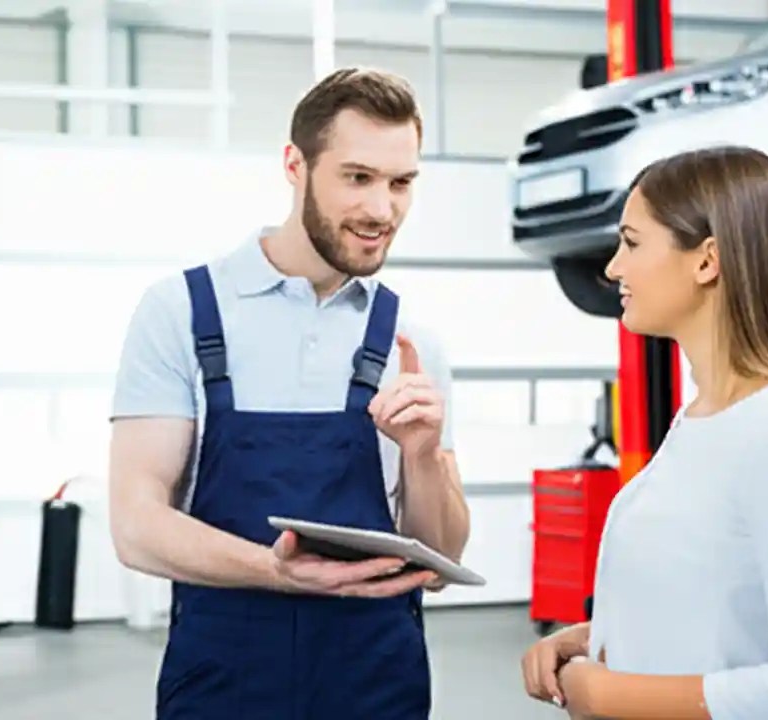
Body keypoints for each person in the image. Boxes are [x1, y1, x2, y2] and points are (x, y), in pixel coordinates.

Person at [108, 67, 470, 719]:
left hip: (376, 681)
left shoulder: (412, 342)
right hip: (223, 679)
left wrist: (422, 458)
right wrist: (277, 570)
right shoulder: (181, 313)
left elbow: (440, 563)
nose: (382, 210)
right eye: (357, 178)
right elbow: (136, 527)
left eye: (401, 183)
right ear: (295, 165)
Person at [521, 146, 768, 719]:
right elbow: (716, 606)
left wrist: (607, 693)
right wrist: (594, 638)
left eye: (631, 243)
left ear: (707, 260)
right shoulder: (702, 417)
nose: (612, 268)